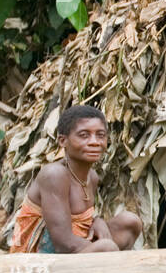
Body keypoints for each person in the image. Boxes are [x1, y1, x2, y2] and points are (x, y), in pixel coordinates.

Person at [10, 104, 143, 254]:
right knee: (107, 247)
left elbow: (80, 219)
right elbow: (64, 244)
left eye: (100, 135)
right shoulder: (54, 175)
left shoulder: (91, 176)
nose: (94, 142)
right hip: (41, 262)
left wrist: (97, 220)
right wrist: (110, 251)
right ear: (63, 141)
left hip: (74, 251)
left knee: (130, 222)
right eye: (84, 135)